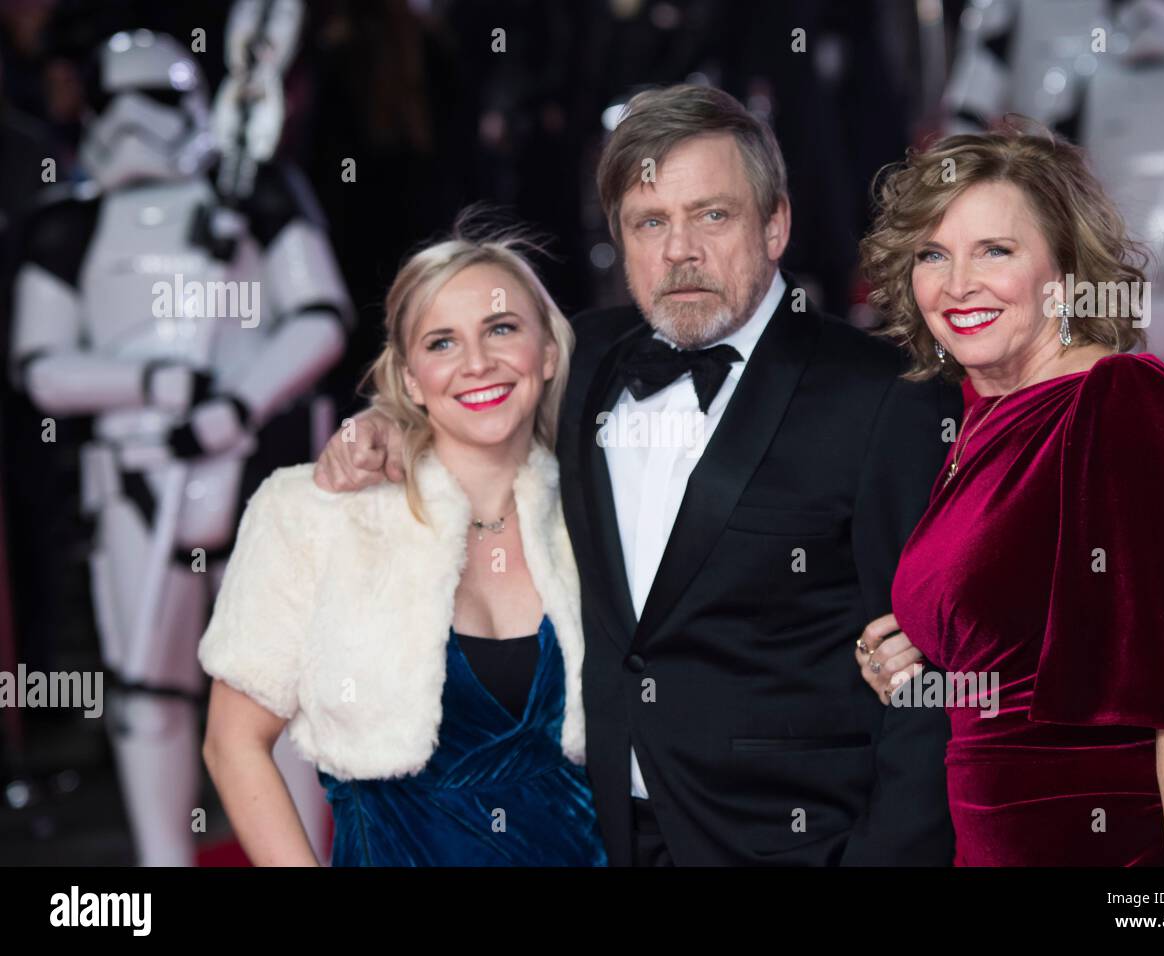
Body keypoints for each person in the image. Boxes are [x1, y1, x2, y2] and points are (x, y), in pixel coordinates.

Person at [316, 84, 963, 865]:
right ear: (620, 239)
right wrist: (388, 423)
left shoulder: (882, 395)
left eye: (712, 215)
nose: (680, 250)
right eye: (650, 223)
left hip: (797, 840)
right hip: (607, 834)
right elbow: (471, 401)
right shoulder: (582, 359)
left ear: (775, 224)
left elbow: (934, 677)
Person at [856, 127, 1164, 866]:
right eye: (933, 254)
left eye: (996, 250)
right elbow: (1023, 654)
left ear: (1063, 271)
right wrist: (912, 658)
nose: (958, 284)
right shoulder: (984, 420)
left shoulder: (1121, 403)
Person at [199, 232, 607, 866]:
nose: (476, 362)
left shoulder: (596, 508)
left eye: (500, 329)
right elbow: (232, 744)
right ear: (412, 378)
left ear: (547, 352)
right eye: (442, 342)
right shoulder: (312, 512)